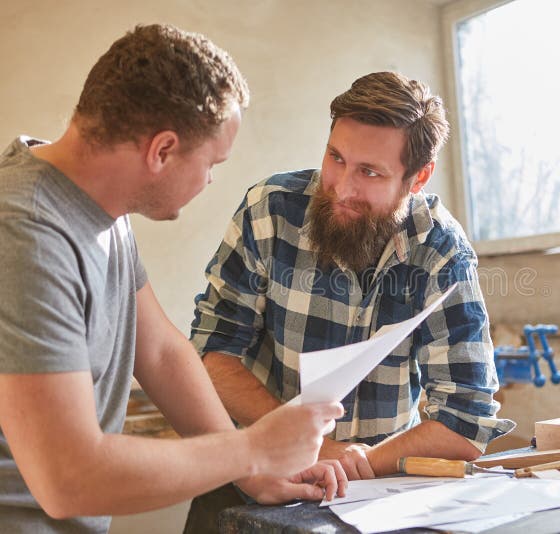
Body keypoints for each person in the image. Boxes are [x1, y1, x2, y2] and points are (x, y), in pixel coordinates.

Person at [0, 24, 346, 534]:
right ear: (162, 150)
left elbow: (159, 349)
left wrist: (253, 470)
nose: (210, 180)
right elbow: (67, 479)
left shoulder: (98, 207)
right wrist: (252, 448)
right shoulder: (26, 232)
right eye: (211, 163)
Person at [190, 72, 515, 488]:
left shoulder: (442, 252)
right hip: (253, 472)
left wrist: (361, 462)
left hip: (376, 488)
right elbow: (212, 354)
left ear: (418, 178)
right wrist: (313, 449)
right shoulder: (268, 210)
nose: (342, 188)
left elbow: (466, 420)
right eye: (336, 158)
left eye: (370, 173)